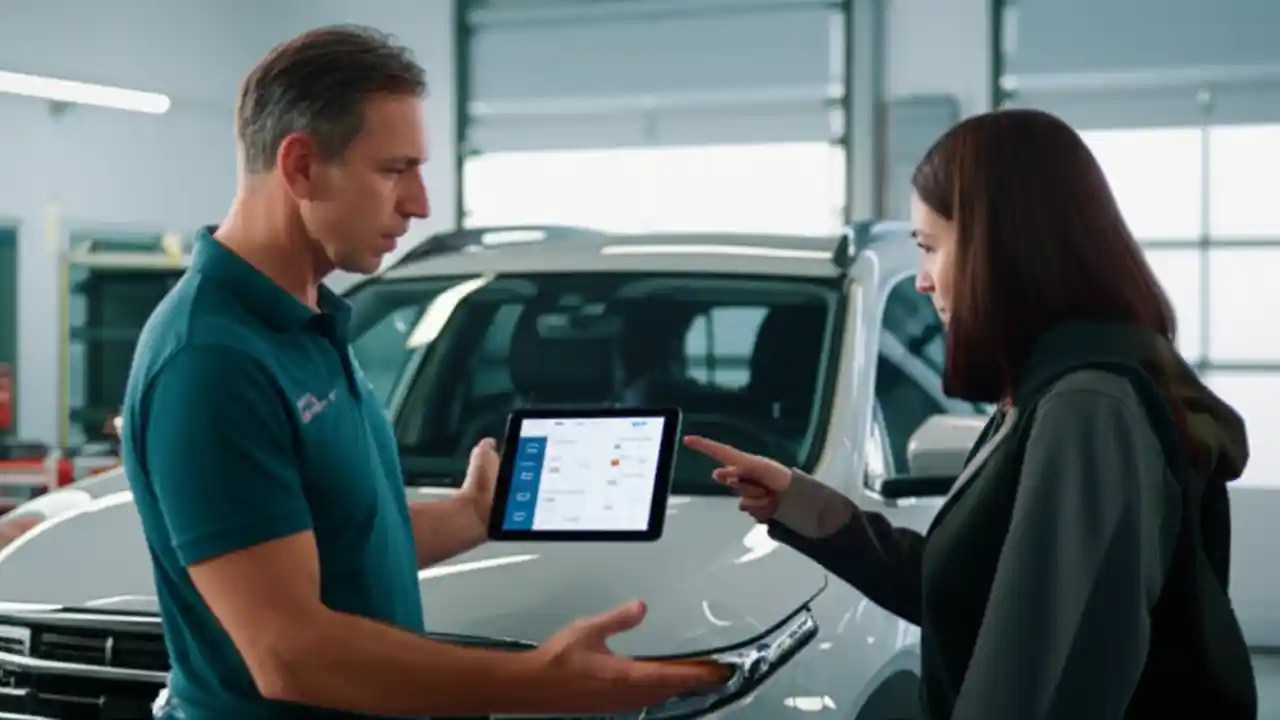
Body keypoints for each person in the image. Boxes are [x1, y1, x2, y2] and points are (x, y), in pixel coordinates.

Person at [120, 24, 725, 719]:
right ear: (301, 167)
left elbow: (345, 545)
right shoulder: (213, 360)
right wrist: (536, 681)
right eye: (393, 170)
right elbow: (289, 653)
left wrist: (469, 516)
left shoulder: (311, 320)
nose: (420, 203)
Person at [684, 108, 1258, 719]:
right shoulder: (1057, 384)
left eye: (931, 248)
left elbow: (1040, 672)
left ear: (1003, 250)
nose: (924, 282)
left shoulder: (1086, 407)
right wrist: (799, 501)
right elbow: (968, 592)